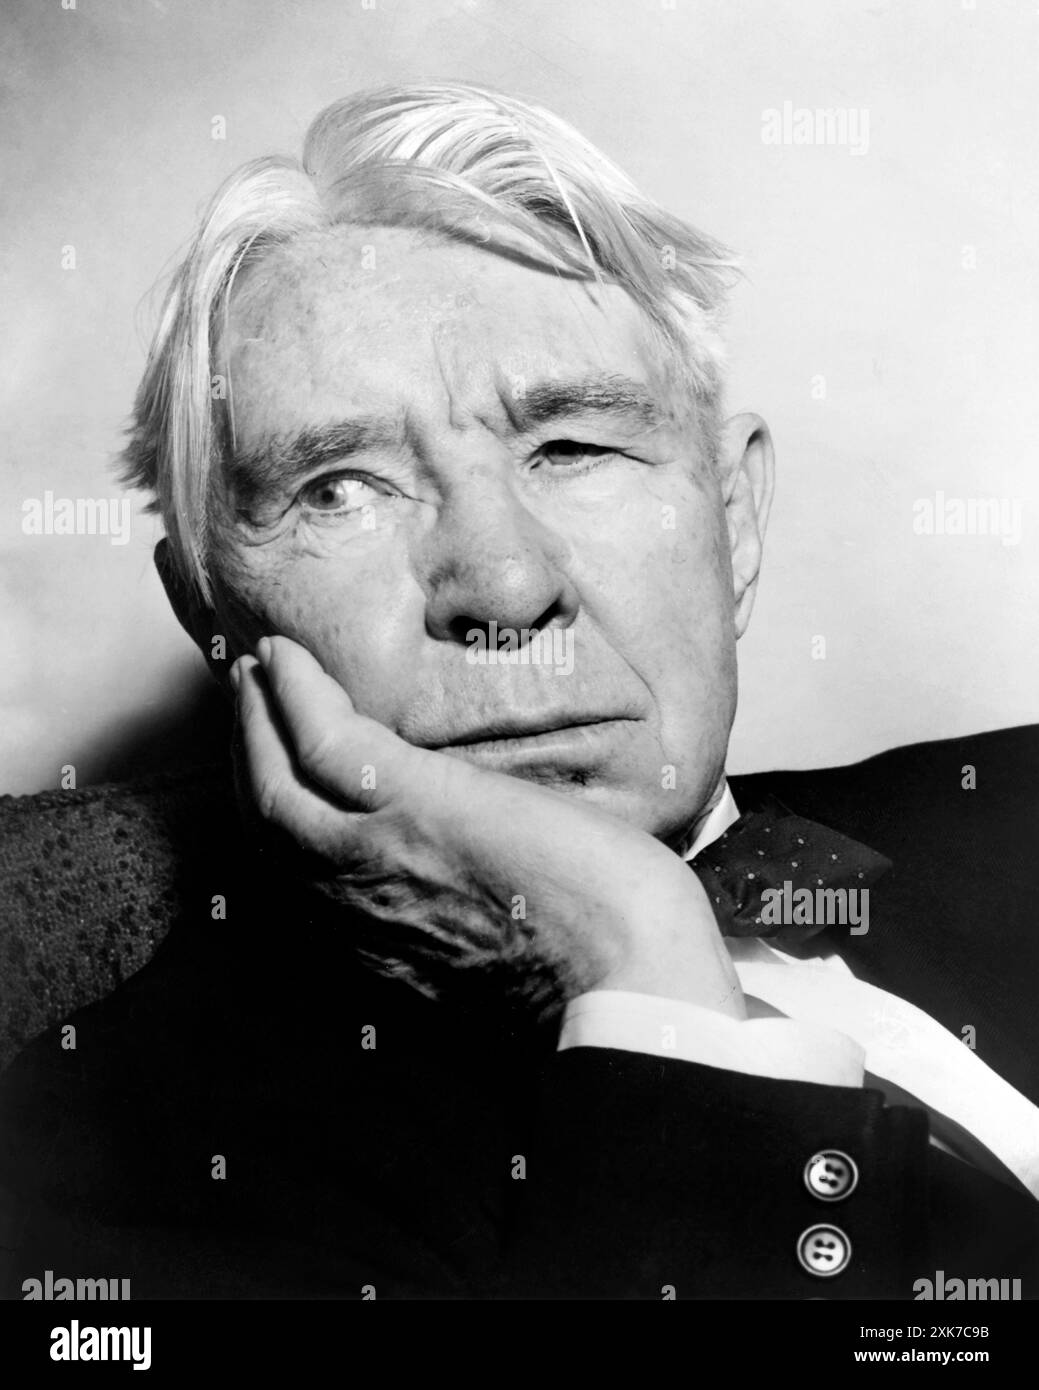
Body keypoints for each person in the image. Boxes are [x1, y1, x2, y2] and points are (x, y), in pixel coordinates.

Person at [1, 82, 1037, 1301]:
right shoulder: (114, 1174)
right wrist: (637, 960)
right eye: (339, 487)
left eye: (574, 447)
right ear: (213, 617)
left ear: (736, 521)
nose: (501, 584)